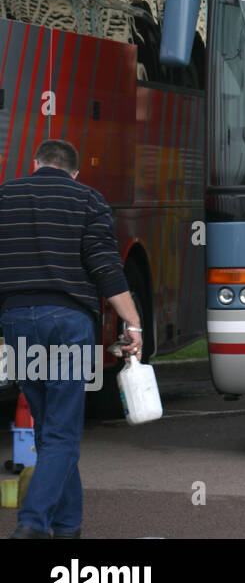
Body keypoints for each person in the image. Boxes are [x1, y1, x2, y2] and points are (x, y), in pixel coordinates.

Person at [0, 139, 143, 538]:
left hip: (17, 321)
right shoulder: (89, 200)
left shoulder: (4, 197)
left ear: (35, 164)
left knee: (50, 432)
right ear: (75, 172)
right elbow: (106, 268)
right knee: (62, 433)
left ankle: (67, 527)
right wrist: (133, 324)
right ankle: (32, 524)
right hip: (68, 322)